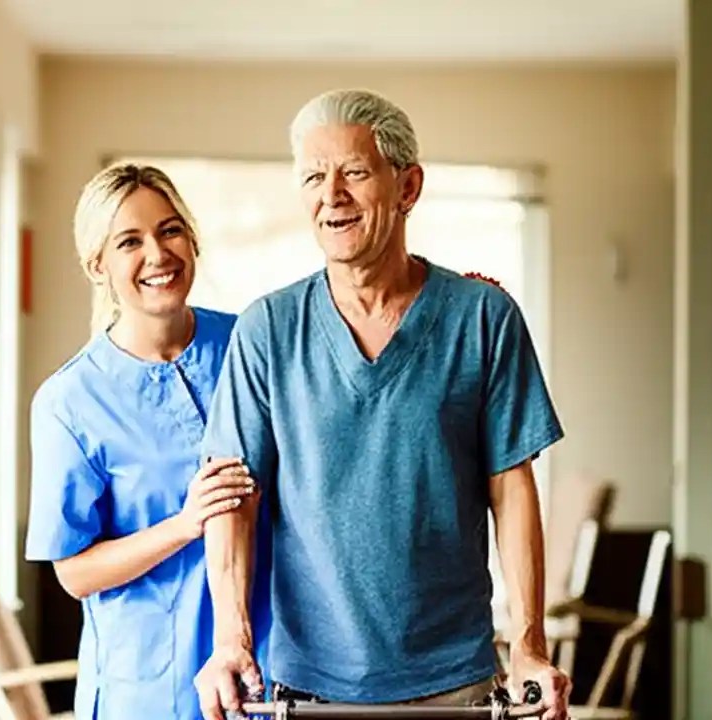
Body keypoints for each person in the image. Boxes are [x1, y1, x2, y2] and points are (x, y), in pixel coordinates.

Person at [193, 88, 572, 720]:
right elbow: (235, 495)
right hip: (307, 690)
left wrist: (529, 645)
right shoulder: (267, 329)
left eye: (355, 172)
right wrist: (230, 638)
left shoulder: (482, 319)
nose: (331, 194)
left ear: (408, 187)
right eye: (314, 176)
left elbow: (511, 487)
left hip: (456, 685)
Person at [24, 162, 273, 720]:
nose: (158, 255)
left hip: (266, 669)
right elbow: (74, 572)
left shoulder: (249, 346)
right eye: (129, 241)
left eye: (169, 230)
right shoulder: (71, 401)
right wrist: (187, 523)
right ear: (98, 266)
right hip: (147, 686)